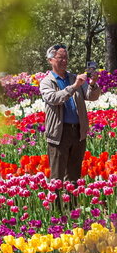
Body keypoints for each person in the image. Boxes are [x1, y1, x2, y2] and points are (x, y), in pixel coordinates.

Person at [41, 44, 102, 182]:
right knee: (57, 178)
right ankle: (56, 204)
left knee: (74, 177)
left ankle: (73, 204)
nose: (64, 61)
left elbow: (91, 96)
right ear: (50, 60)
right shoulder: (46, 82)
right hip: (59, 133)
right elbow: (54, 98)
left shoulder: (73, 77)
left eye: (66, 58)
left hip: (78, 132)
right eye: (60, 58)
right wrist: (75, 86)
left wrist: (92, 84)